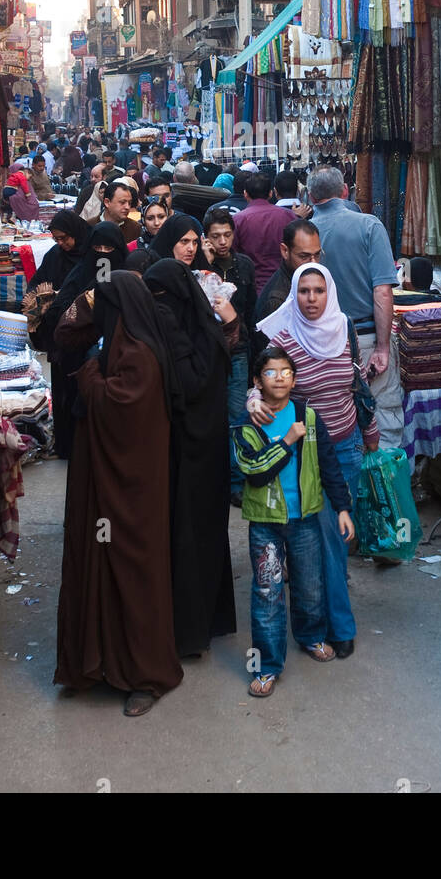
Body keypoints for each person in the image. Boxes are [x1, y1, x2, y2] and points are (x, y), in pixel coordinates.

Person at [53, 273, 183, 716]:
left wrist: (90, 376)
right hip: (108, 483)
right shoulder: (122, 347)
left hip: (132, 494)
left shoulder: (139, 357)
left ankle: (144, 674)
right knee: (102, 566)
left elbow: (117, 404)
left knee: (132, 573)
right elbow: (64, 330)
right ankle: (99, 663)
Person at [256, 263, 378, 658]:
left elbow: (356, 381)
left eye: (318, 291)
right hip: (309, 454)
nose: (311, 299)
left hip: (348, 445)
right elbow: (263, 382)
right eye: (304, 291)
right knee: (329, 539)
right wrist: (251, 400)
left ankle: (324, 621)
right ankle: (337, 627)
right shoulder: (285, 338)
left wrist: (370, 430)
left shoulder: (343, 328)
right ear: (295, 294)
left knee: (339, 540)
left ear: (330, 294)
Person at [233, 344, 354, 698]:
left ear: (295, 379)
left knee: (309, 583)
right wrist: (287, 441)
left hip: (305, 516)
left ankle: (312, 635)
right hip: (266, 521)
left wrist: (342, 507)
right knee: (268, 592)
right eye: (271, 373)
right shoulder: (247, 422)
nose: (280, 379)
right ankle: (267, 666)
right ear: (257, 381)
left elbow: (328, 463)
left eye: (287, 372)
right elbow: (254, 472)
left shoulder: (308, 416)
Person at [143, 259, 238, 656]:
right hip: (191, 454)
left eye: (163, 297)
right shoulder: (194, 330)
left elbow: (191, 384)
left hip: (196, 455)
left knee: (193, 538)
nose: (159, 306)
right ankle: (193, 626)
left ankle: (193, 630)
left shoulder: (191, 336)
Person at [307, 166, 403, 447]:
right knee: (383, 414)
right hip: (366, 338)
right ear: (345, 190)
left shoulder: (304, 232)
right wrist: (384, 348)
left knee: (332, 418)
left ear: (311, 197)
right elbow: (383, 291)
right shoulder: (368, 225)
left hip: (321, 342)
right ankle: (382, 487)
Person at [24, 210, 95, 459]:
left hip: (84, 333)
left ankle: (82, 445)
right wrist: (43, 301)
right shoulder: (55, 256)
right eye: (57, 239)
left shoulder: (91, 255)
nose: (61, 244)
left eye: (65, 238)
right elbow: (36, 284)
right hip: (60, 335)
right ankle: (65, 445)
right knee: (63, 391)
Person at [202, 206, 257, 506]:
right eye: (215, 236)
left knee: (237, 417)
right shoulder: (196, 264)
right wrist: (204, 262)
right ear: (206, 237)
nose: (222, 241)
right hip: (206, 352)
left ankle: (236, 481)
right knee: (209, 416)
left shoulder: (244, 265)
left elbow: (250, 309)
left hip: (237, 351)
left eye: (227, 235)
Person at [232, 172, 295, 294]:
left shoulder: (238, 220)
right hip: (286, 287)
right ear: (271, 193)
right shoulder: (288, 216)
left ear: (245, 194)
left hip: (253, 288)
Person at [255, 219, 321, 324]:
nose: (313, 263)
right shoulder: (277, 301)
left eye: (317, 255)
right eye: (304, 256)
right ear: (285, 251)